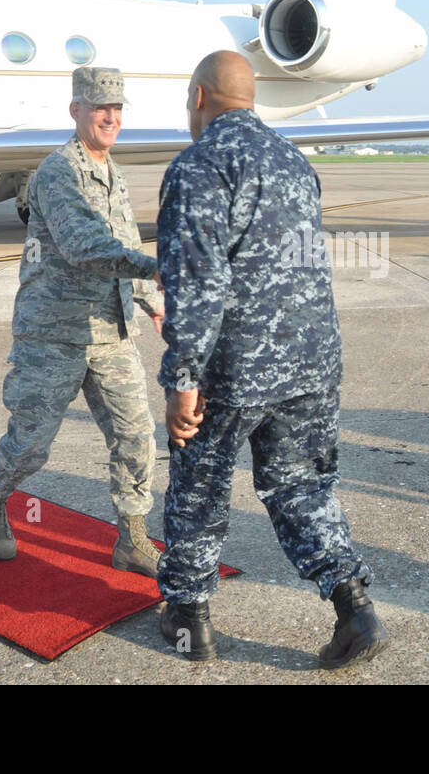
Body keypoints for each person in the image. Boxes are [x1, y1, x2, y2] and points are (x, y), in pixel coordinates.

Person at [156, 50, 389, 668]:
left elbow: (197, 283)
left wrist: (182, 379)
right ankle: (354, 606)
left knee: (199, 489)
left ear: (199, 96)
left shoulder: (200, 165)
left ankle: (189, 618)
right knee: (301, 486)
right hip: (311, 361)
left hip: (234, 370)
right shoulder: (294, 160)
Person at [0, 66, 166, 577]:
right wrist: (159, 266)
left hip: (112, 334)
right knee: (32, 443)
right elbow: (85, 248)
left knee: (137, 436)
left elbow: (125, 242)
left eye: (117, 108)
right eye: (100, 107)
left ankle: (132, 538)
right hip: (53, 334)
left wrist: (152, 299)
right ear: (76, 110)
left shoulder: (114, 172)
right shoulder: (57, 172)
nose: (110, 117)